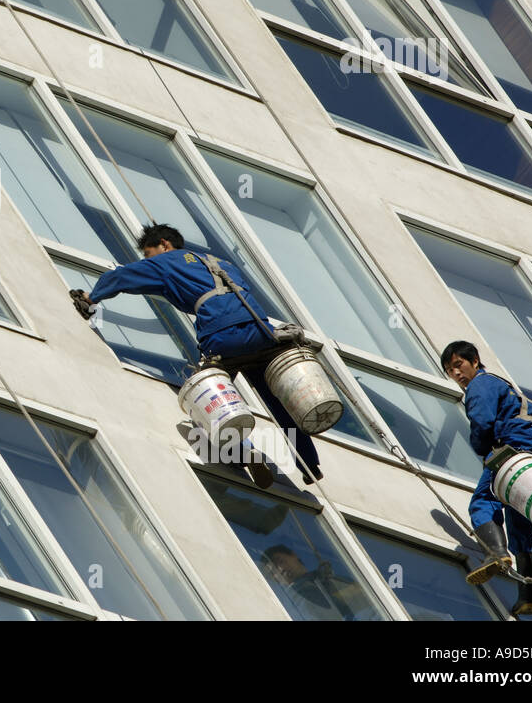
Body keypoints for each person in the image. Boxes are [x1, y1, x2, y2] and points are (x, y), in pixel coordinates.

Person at [71, 223, 322, 488]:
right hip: (261, 333)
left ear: (165, 245)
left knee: (208, 400)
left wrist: (92, 298)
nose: (148, 259)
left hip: (223, 336)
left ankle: (243, 450)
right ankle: (309, 463)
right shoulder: (221, 263)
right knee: (277, 401)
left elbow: (122, 277)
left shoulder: (167, 261)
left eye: (148, 253)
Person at [442, 340, 532, 617]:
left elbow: (482, 422)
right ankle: (528, 594)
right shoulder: (506, 388)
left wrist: (484, 452)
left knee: (483, 501)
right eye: (450, 370)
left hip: (512, 451)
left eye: (459, 365)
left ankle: (496, 553)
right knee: (519, 519)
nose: (456, 374)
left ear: (474, 361)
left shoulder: (480, 385)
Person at [260, 545, 379, 620]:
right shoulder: (295, 598)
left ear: (293, 554)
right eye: (273, 572)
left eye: (280, 561)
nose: (281, 570)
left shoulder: (328, 578)